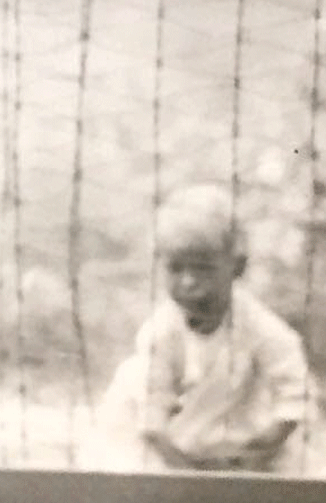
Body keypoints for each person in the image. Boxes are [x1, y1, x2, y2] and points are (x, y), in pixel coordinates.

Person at [106, 183, 308, 472]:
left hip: (248, 445)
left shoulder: (261, 327)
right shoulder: (161, 332)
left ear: (237, 267)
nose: (188, 282)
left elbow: (294, 394)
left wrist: (262, 446)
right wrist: (178, 463)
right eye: (176, 268)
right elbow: (152, 407)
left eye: (203, 268)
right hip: (177, 446)